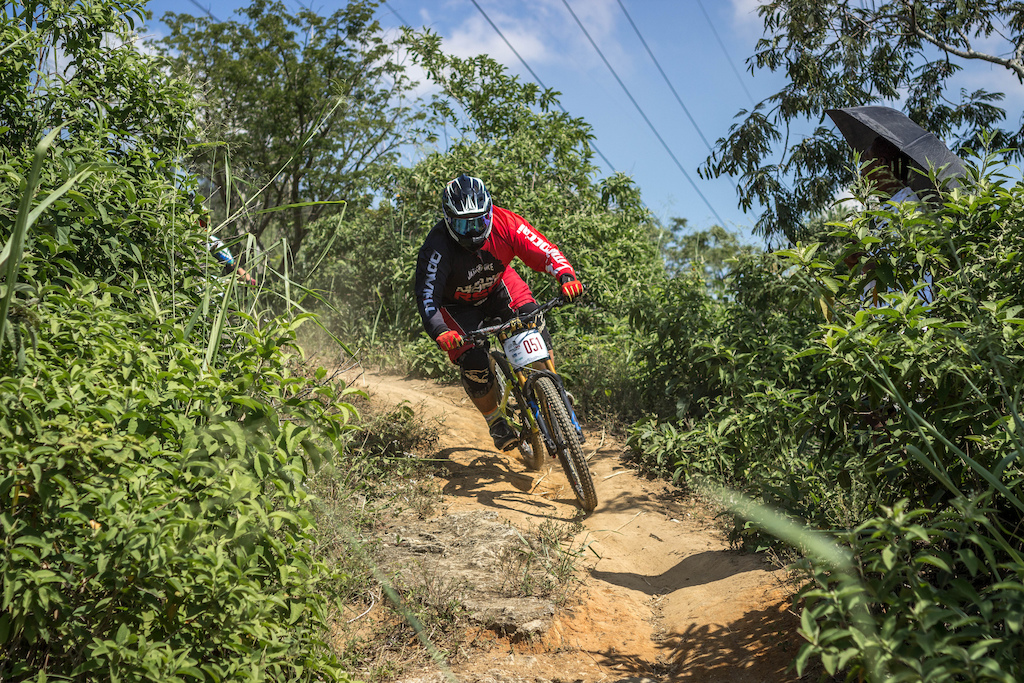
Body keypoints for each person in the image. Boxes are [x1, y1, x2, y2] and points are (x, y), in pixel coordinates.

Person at [413, 174, 584, 452]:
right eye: (461, 224)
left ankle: (553, 389)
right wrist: (441, 330)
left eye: (478, 222)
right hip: (457, 307)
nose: (471, 232)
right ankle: (495, 420)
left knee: (531, 320)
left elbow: (543, 249)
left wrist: (565, 276)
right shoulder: (436, 248)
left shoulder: (506, 223)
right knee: (475, 362)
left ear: (490, 211)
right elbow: (427, 297)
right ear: (447, 220)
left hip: (499, 286)